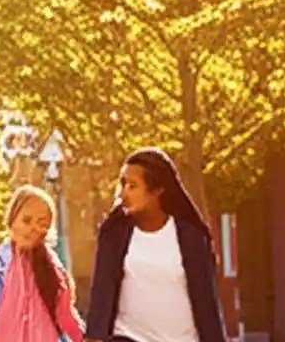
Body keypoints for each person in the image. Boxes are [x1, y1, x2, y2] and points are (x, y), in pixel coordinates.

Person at [85, 147, 226, 342]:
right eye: (123, 184)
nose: (124, 193)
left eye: (133, 186)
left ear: (157, 190)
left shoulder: (190, 237)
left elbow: (207, 304)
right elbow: (101, 294)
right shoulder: (114, 233)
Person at [0, 185, 84, 342]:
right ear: (12, 219)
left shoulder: (54, 271)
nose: (33, 228)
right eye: (26, 220)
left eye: (42, 224)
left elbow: (66, 317)